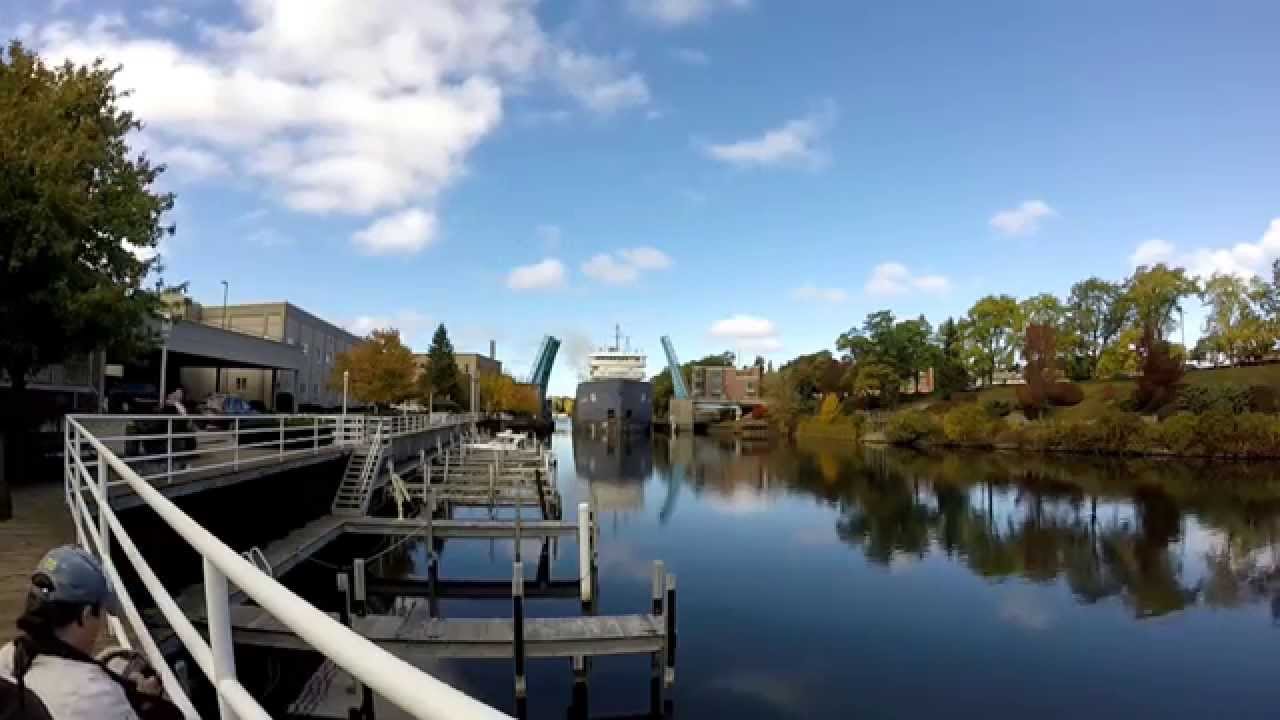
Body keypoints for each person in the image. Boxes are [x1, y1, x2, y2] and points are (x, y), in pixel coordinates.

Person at [0, 546, 170, 720]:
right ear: (86, 615)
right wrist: (147, 699)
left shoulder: (8, 656)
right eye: (101, 614)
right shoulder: (97, 696)